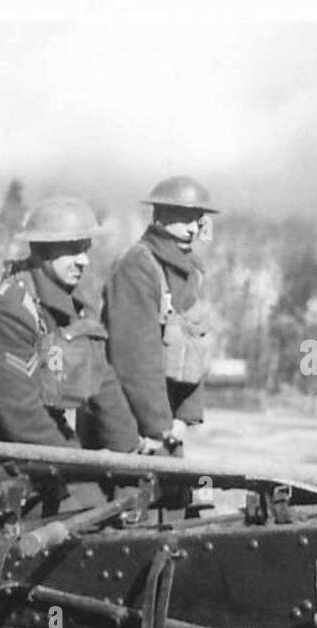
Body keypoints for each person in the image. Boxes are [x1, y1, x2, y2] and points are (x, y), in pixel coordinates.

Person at [0, 196, 139, 509]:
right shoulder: (10, 310)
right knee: (90, 515)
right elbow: (19, 412)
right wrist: (79, 465)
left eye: (85, 248)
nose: (83, 260)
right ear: (41, 250)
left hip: (46, 445)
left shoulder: (73, 306)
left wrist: (130, 452)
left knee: (121, 501)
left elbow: (100, 379)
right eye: (71, 250)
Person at [102, 176, 218, 457]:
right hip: (130, 422)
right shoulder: (138, 266)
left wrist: (184, 419)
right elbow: (135, 361)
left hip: (167, 423)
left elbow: (196, 350)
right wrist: (159, 428)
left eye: (198, 219)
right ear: (160, 215)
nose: (193, 228)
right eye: (184, 217)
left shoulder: (192, 272)